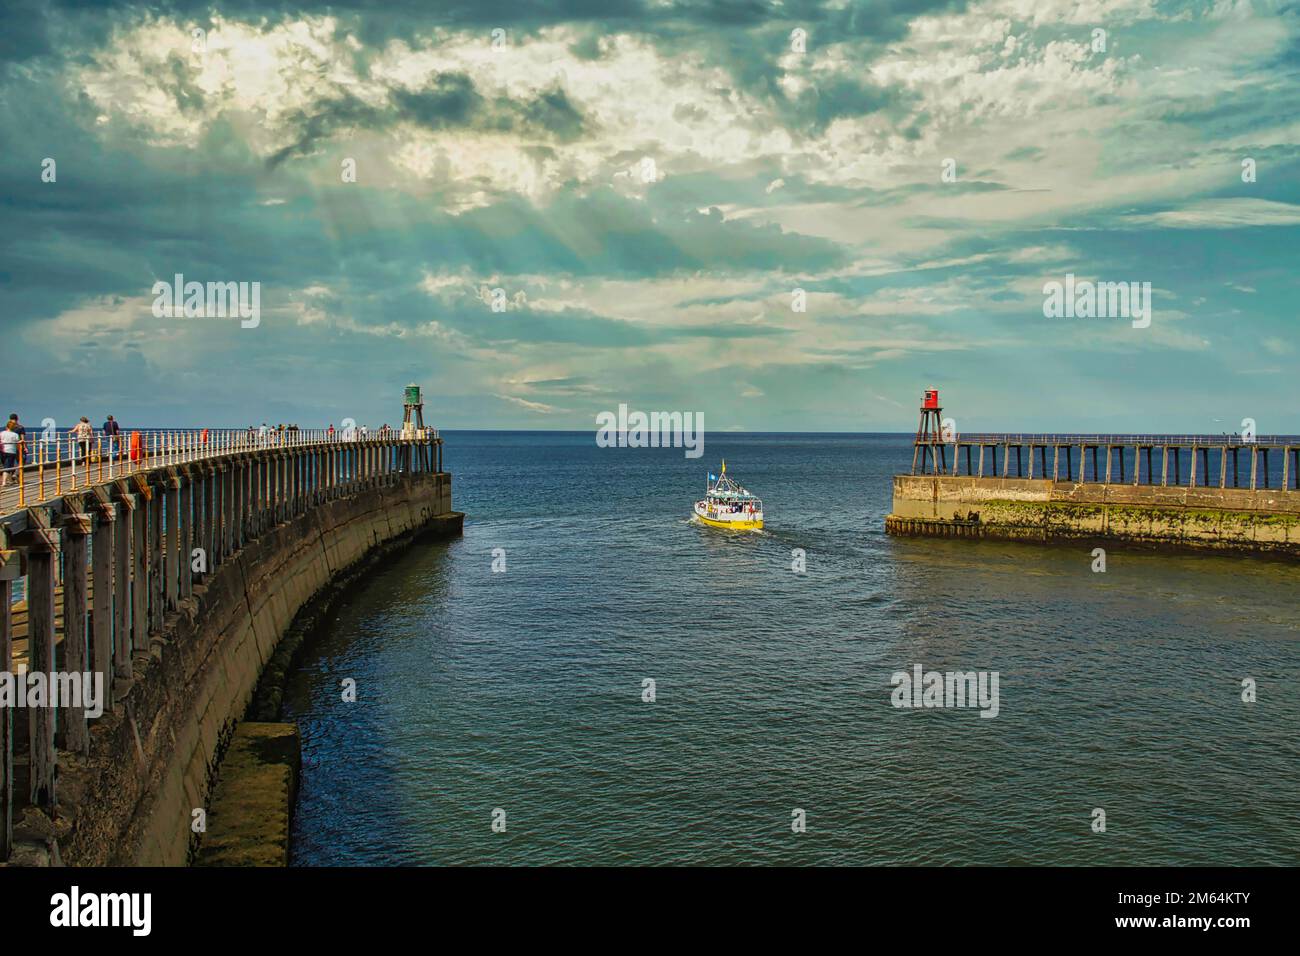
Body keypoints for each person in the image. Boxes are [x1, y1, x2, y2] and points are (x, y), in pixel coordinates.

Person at [0, 420, 18, 486]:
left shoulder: (2, 433)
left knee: (6, 465)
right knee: (8, 466)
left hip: (2, 451)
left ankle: (10, 480)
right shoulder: (15, 435)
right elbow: (17, 444)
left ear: (6, 426)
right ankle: (4, 482)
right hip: (11, 451)